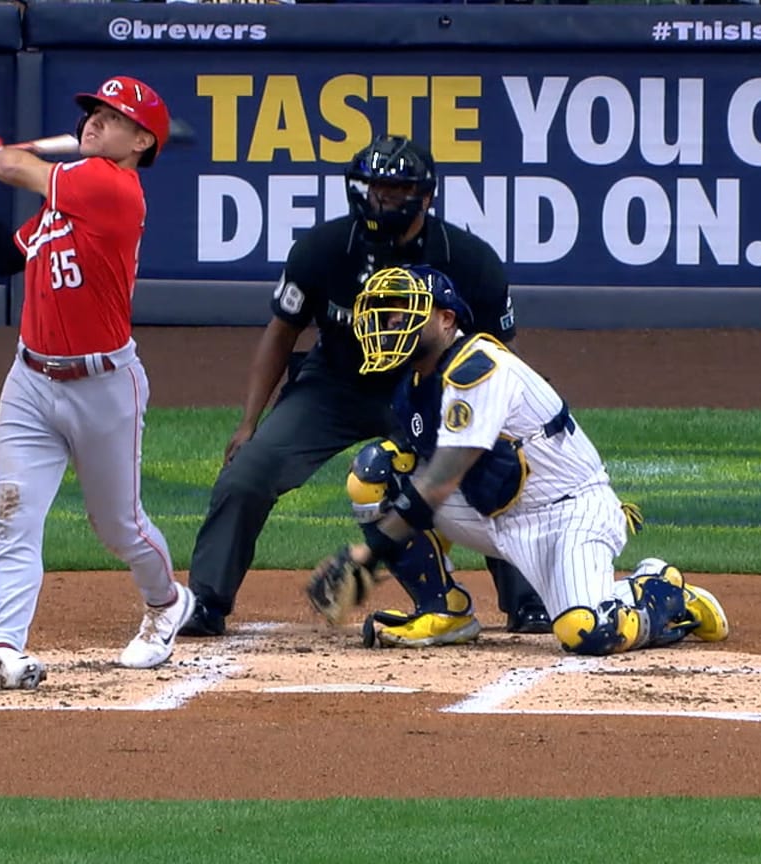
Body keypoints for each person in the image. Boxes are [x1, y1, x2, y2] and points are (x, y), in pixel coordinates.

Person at [181, 134, 550, 642]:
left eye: (398, 190)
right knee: (249, 472)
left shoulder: (467, 259)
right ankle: (206, 601)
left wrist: (501, 425)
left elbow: (499, 354)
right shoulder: (324, 249)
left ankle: (529, 602)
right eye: (377, 187)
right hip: (334, 386)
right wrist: (249, 422)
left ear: (426, 196)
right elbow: (282, 330)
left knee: (487, 471)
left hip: (427, 388)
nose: (385, 199)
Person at [308, 265, 730, 655]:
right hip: (493, 513)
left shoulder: (479, 366)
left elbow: (441, 480)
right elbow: (422, 482)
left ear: (446, 319)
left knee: (584, 630)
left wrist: (370, 551)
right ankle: (443, 610)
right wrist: (402, 545)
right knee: (377, 471)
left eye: (402, 314)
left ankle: (663, 590)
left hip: (570, 511)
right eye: (385, 317)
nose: (390, 326)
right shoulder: (413, 387)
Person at [0, 75, 194, 691]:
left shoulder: (112, 188)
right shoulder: (63, 206)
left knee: (118, 526)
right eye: (93, 113)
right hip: (30, 379)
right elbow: (4, 257)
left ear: (139, 142)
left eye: (112, 116)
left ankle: (165, 603)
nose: (94, 122)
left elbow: (19, 169)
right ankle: (4, 646)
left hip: (104, 386)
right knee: (12, 514)